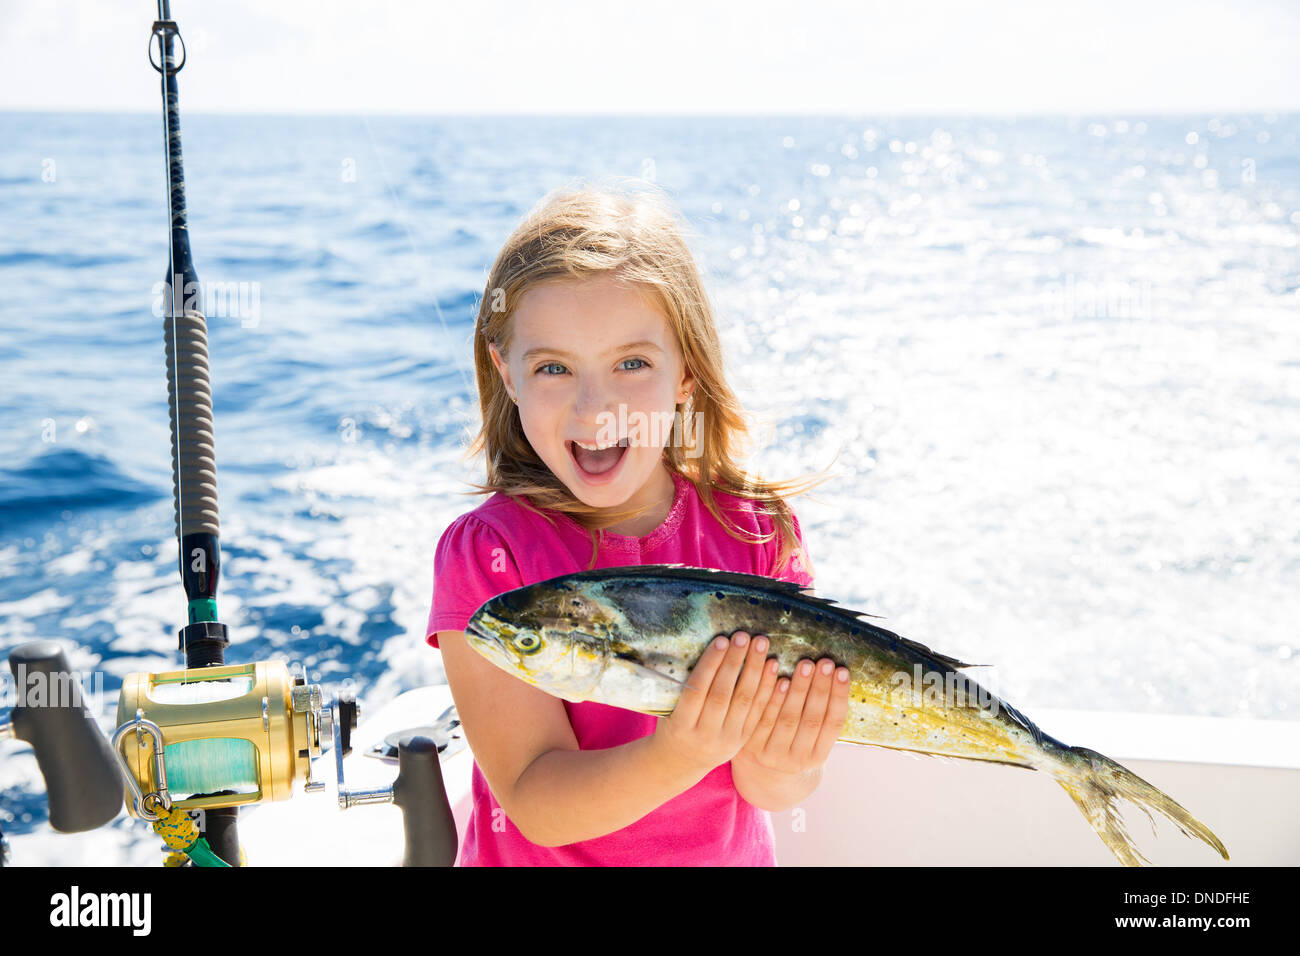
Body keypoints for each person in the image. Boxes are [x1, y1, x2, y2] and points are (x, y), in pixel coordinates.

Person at [425, 178, 849, 865]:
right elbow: (535, 802)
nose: (596, 409)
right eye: (554, 367)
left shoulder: (759, 535)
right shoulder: (490, 557)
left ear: (686, 373)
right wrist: (680, 752)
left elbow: (771, 788)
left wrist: (785, 760)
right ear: (506, 373)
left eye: (632, 363)